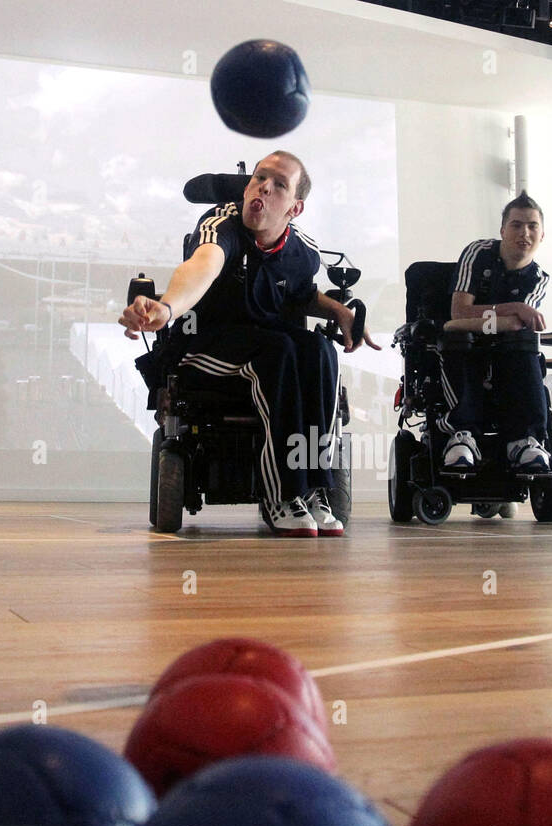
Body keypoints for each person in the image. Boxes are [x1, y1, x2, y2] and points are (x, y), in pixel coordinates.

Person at [119, 151, 378, 537]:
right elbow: (202, 267)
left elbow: (300, 292)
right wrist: (167, 308)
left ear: (295, 208)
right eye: (260, 178)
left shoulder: (303, 250)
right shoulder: (220, 224)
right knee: (279, 351)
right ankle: (284, 493)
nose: (263, 189)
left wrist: (338, 310)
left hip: (266, 337)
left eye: (279, 185)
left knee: (320, 351)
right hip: (207, 342)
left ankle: (316, 488)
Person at [437, 191, 552, 474]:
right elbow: (458, 313)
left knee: (524, 341)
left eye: (532, 226)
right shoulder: (478, 253)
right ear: (502, 230)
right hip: (464, 346)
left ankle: (524, 441)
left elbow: (515, 326)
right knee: (458, 336)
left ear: (542, 235)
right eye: (516, 225)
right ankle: (463, 435)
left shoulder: (539, 278)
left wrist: (493, 318)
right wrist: (514, 308)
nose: (524, 233)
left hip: (509, 353)